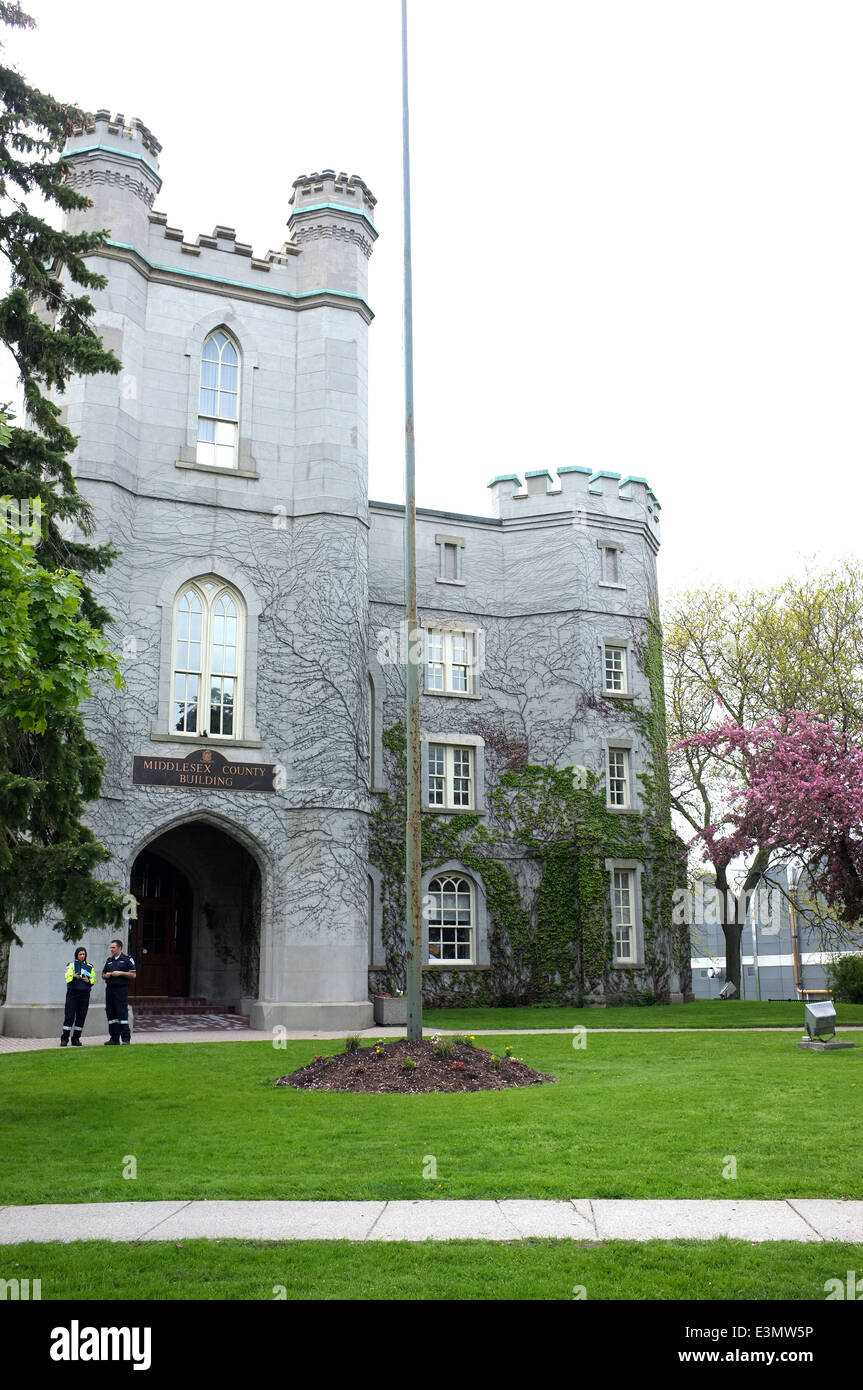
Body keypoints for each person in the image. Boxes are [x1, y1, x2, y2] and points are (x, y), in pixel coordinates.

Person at [102, 938, 136, 1045]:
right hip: (110, 990)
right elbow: (103, 974)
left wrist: (120, 973)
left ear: (119, 948)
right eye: (111, 947)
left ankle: (125, 1038)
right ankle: (114, 1038)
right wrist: (105, 975)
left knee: (122, 1013)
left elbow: (133, 974)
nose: (111, 949)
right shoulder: (109, 961)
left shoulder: (127, 959)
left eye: (113, 947)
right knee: (111, 1014)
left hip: (121, 990)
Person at [60, 947, 96, 1046]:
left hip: (84, 995)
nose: (82, 956)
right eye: (80, 954)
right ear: (76, 955)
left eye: (84, 954)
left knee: (81, 1017)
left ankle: (76, 1039)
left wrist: (88, 981)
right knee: (69, 1016)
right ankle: (64, 1039)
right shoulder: (70, 965)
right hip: (72, 994)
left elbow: (93, 979)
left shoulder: (90, 966)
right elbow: (67, 977)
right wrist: (73, 976)